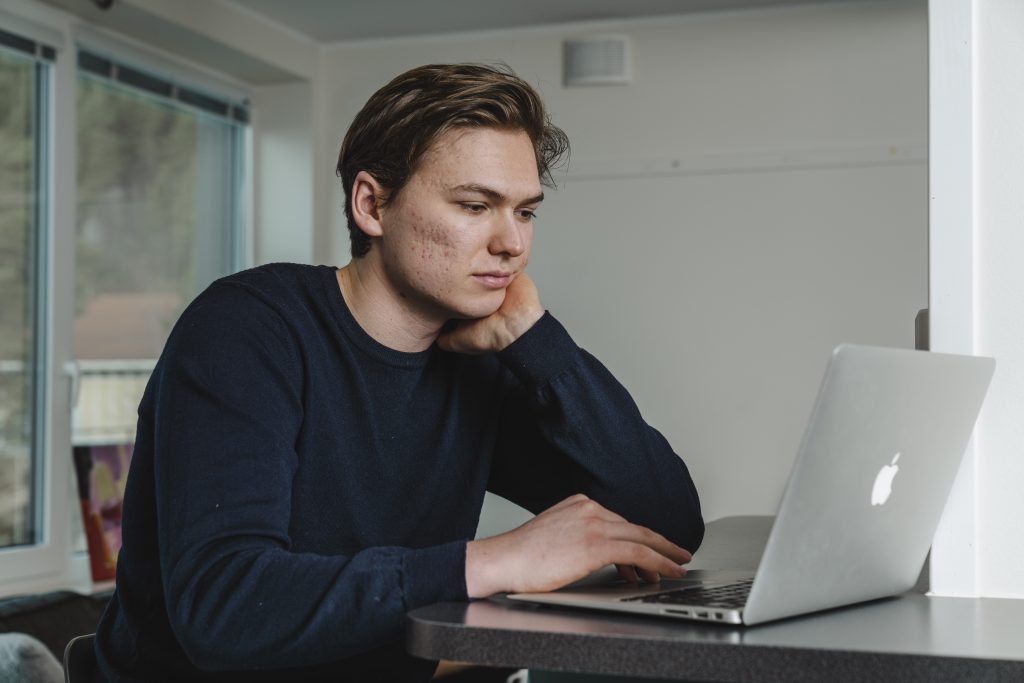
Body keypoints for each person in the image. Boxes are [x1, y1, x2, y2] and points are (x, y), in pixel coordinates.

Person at [94, 63, 704, 682]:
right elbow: (224, 608)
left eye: (525, 212)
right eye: (475, 205)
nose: (512, 244)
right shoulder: (247, 329)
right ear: (372, 204)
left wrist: (535, 338)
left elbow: (667, 525)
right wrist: (494, 561)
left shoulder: (475, 363)